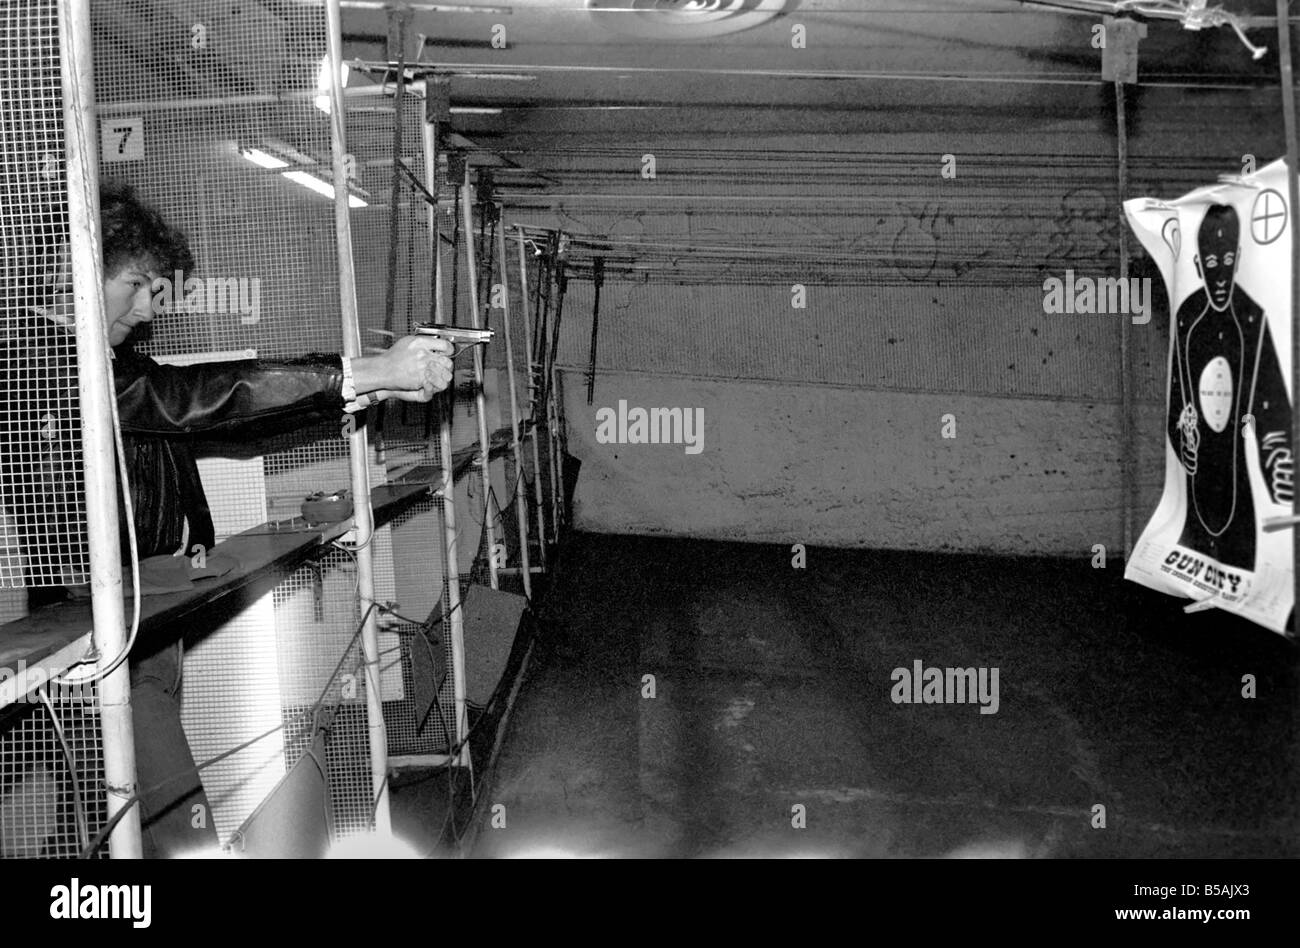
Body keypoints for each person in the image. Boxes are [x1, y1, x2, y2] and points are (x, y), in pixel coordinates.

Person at [0, 179, 453, 857]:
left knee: (111, 810)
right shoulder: (39, 357)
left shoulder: (109, 361)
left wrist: (367, 384)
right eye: (141, 285)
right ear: (78, 270)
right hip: (97, 620)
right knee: (181, 826)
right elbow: (192, 398)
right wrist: (355, 372)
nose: (150, 310)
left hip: (150, 609)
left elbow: (223, 418)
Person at [1169, 203, 1293, 572]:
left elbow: (1272, 406)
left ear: (1237, 258)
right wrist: (1182, 440)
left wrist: (1279, 467)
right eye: (1210, 265)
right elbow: (1177, 404)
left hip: (1239, 477)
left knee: (1241, 561)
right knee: (1199, 558)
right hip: (1197, 484)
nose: (1219, 275)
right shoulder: (1187, 318)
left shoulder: (1252, 317)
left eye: (1225, 260)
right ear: (1197, 267)